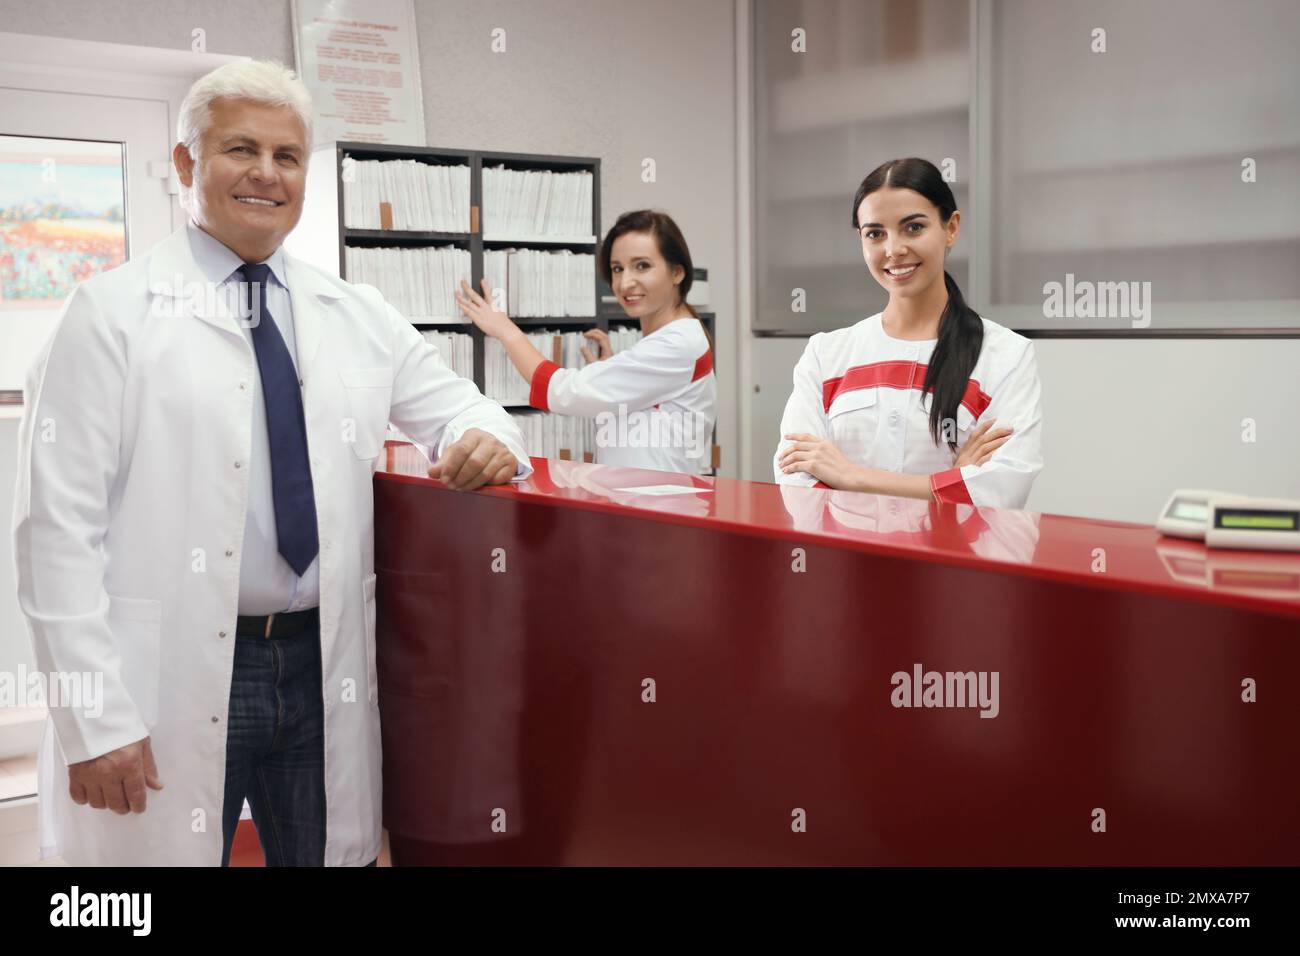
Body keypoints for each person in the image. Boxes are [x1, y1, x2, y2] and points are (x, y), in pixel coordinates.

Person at [12, 59, 531, 867]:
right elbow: (54, 536)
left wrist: (489, 436)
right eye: (239, 149)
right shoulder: (109, 314)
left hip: (322, 662)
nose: (265, 173)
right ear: (186, 164)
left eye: (287, 156)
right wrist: (91, 718)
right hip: (170, 674)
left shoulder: (354, 312)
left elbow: (463, 408)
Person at [774, 157, 1043, 509]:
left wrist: (849, 476)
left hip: (952, 563)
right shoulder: (825, 355)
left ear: (951, 228)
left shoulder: (1006, 355)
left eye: (913, 228)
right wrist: (948, 484)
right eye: (875, 233)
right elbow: (796, 485)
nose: (893, 249)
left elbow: (1002, 491)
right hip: (846, 562)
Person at [457, 209, 716, 474]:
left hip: (657, 504)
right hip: (638, 502)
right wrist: (610, 371)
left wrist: (505, 330)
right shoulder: (677, 339)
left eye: (642, 265)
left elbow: (563, 391)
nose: (625, 282)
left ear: (677, 273)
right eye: (617, 269)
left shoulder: (677, 344)